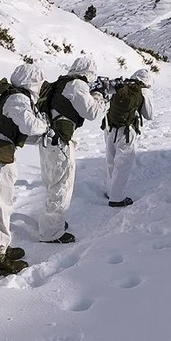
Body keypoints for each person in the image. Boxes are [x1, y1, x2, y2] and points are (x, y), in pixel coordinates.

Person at [0, 64, 49, 276]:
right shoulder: (17, 99)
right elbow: (29, 126)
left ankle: (1, 247)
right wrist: (45, 126)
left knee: (1, 205)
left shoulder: (9, 96)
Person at [37, 56, 108, 243]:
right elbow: (91, 112)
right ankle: (52, 232)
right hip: (61, 141)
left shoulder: (59, 83)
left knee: (52, 183)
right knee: (61, 186)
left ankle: (52, 222)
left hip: (47, 141)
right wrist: (99, 95)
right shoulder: (77, 85)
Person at [105, 68, 154, 207]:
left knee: (111, 160)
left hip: (111, 126)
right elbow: (149, 115)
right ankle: (117, 198)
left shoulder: (122, 85)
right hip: (127, 130)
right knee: (123, 163)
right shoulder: (143, 91)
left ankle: (110, 190)